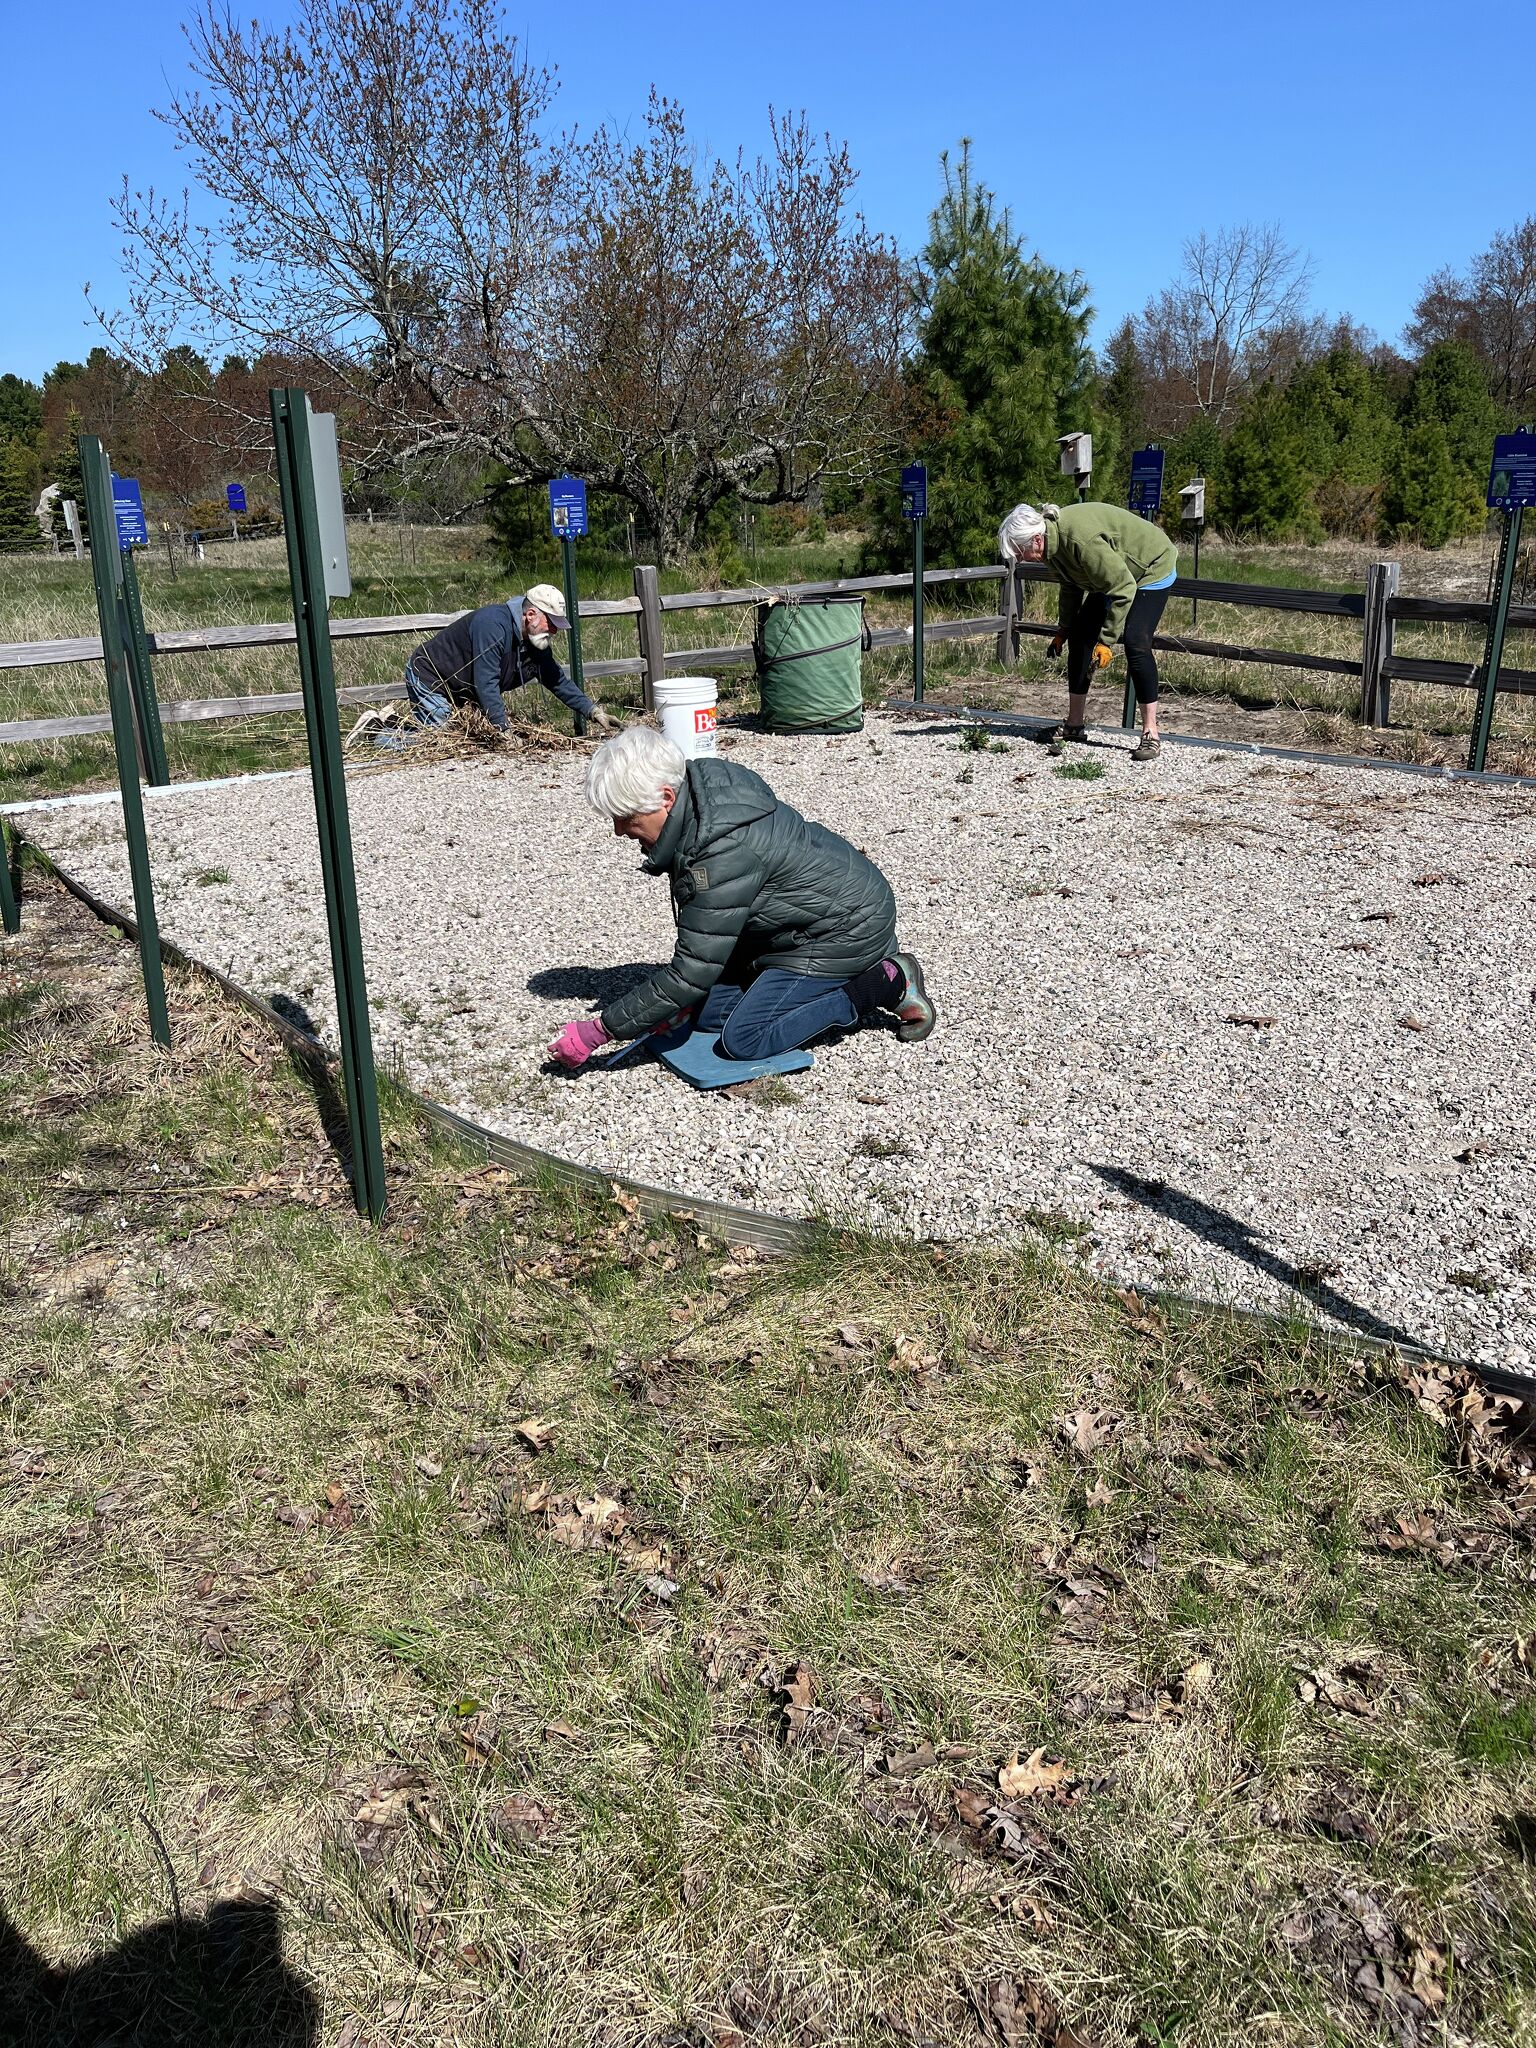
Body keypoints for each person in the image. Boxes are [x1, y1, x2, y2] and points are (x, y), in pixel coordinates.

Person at [548, 727, 935, 1069]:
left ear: (666, 797)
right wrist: (669, 1003)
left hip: (846, 928)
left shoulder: (720, 852)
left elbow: (690, 972)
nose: (619, 831)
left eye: (626, 817)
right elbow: (704, 954)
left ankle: (885, 981)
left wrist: (598, 1030)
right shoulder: (701, 799)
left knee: (745, 1039)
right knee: (708, 1013)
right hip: (806, 922)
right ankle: (834, 981)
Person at [998, 501, 1178, 762]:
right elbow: (1070, 587)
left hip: (1150, 566)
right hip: (1114, 573)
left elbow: (1124, 587)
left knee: (1137, 641)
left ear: (1036, 539)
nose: (1018, 558)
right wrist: (1065, 628)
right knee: (1080, 636)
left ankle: (1151, 732)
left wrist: (1106, 641)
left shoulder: (1082, 542)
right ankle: (1074, 725)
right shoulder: (1051, 547)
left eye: (1019, 550)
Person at [376, 583, 612, 746]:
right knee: (443, 740)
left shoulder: (533, 641)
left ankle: (392, 721)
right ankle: (377, 732)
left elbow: (556, 679)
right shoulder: (492, 626)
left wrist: (592, 711)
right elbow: (486, 683)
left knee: (467, 739)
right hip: (431, 677)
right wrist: (503, 730)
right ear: (530, 615)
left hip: (459, 690)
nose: (554, 632)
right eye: (551, 624)